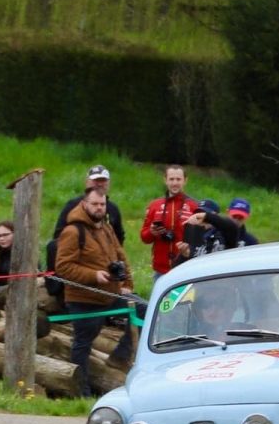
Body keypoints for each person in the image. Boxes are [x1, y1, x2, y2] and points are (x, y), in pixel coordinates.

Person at [57, 187, 137, 393]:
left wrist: (127, 284)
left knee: (144, 310)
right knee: (82, 345)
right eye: (95, 204)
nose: (100, 208)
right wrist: (94, 276)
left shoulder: (106, 228)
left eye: (102, 204)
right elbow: (63, 267)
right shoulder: (72, 231)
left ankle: (120, 355)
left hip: (110, 295)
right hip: (83, 299)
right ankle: (80, 392)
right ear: (84, 204)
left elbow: (121, 256)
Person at [140, 164, 199, 275]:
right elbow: (144, 238)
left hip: (186, 268)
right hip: (161, 270)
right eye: (171, 179)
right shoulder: (154, 205)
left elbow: (201, 239)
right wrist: (151, 232)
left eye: (178, 179)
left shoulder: (194, 206)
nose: (175, 183)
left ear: (185, 181)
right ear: (165, 180)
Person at [53, 164, 126, 244]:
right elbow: (58, 234)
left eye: (103, 181)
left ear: (109, 184)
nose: (99, 184)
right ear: (87, 182)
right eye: (96, 180)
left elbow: (119, 238)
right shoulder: (72, 205)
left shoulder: (113, 209)